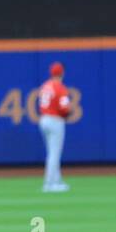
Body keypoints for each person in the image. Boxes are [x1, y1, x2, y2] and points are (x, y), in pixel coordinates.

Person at [38, 61, 73, 193]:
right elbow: (64, 109)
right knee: (54, 154)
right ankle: (49, 184)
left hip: (43, 119)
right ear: (62, 73)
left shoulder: (45, 86)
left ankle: (56, 181)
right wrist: (67, 114)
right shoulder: (60, 88)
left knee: (52, 153)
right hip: (55, 120)